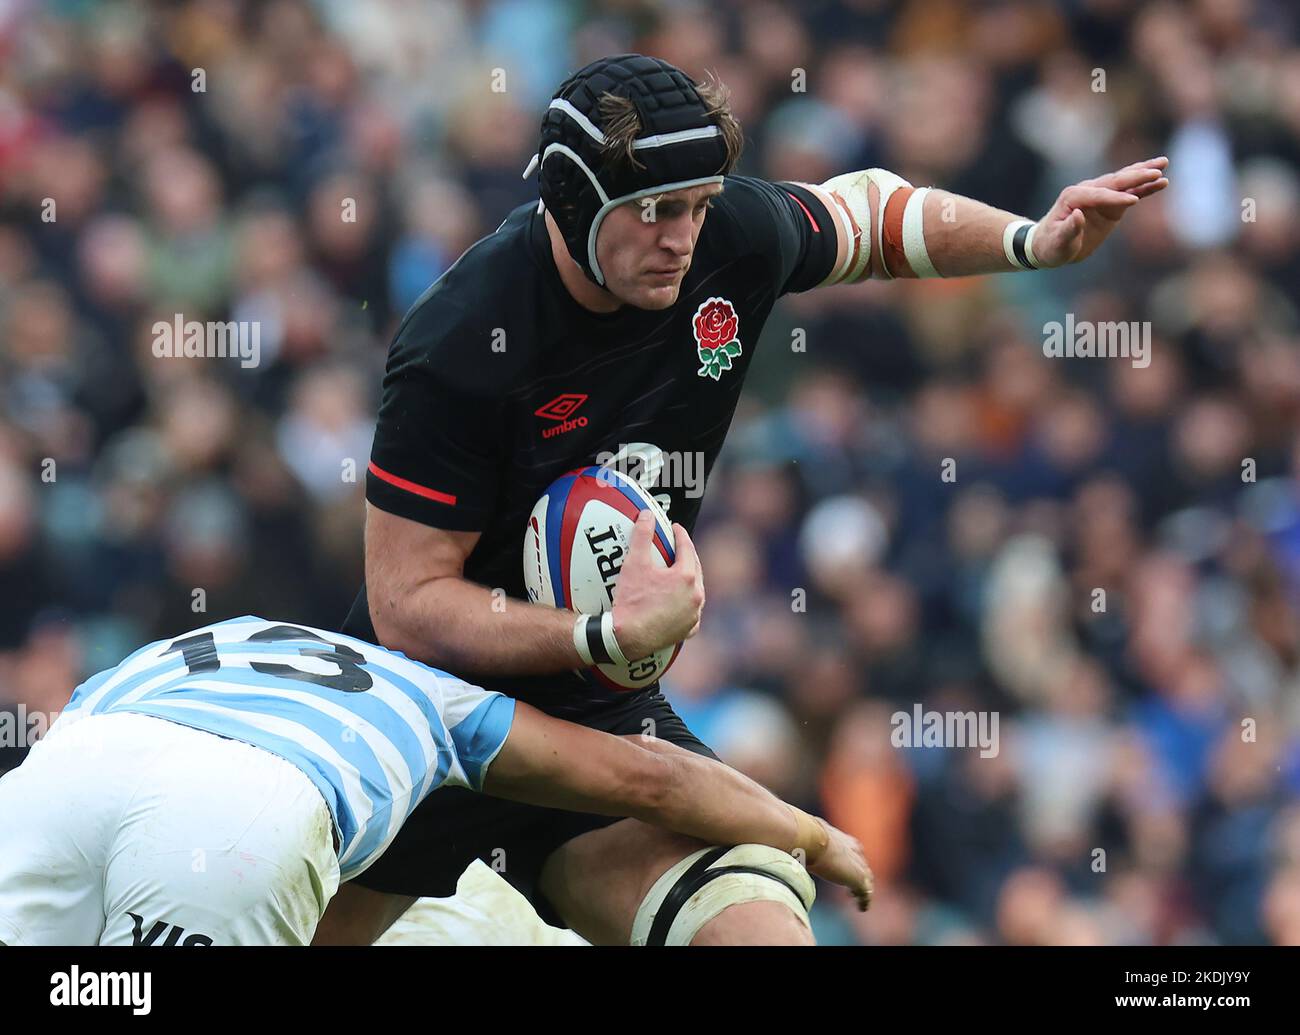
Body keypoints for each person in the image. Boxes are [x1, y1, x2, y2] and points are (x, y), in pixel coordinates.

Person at [325, 53, 1168, 946]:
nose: (683, 237)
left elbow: (872, 215)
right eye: (655, 211)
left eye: (697, 205)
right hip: (428, 726)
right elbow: (406, 603)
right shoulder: (462, 340)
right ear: (575, 204)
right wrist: (601, 633)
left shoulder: (725, 235)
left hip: (598, 715)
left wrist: (1031, 241)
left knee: (760, 933)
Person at [0, 615, 870, 946]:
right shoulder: (441, 689)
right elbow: (647, 780)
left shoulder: (228, 629)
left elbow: (75, 724)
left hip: (82, 757)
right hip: (241, 808)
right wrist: (812, 832)